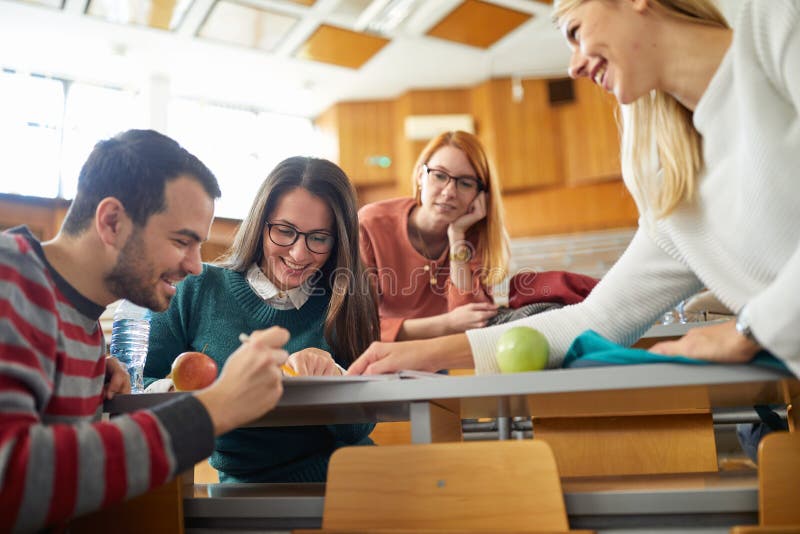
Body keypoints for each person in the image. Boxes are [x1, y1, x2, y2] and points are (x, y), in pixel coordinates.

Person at [347, 0, 800, 382]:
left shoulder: (775, 21)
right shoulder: (673, 194)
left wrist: (746, 331)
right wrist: (419, 354)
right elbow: (594, 320)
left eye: (576, 32)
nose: (574, 65)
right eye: (440, 177)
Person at [0, 130, 288, 532]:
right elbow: (12, 482)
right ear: (112, 222)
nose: (196, 266)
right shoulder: (10, 278)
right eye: (182, 241)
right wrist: (213, 409)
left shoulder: (82, 325)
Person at [143, 156, 379, 483]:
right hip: (244, 489)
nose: (299, 254)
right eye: (284, 231)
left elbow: (359, 428)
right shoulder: (195, 288)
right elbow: (139, 387)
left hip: (349, 479)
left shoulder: (346, 297)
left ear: (337, 240)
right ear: (260, 223)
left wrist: (333, 376)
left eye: (319, 238)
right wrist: (192, 393)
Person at [358, 130, 510, 342]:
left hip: (441, 354)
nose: (449, 192)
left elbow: (473, 324)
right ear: (421, 176)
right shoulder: (371, 224)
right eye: (439, 175)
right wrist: (447, 324)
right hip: (384, 354)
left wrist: (457, 237)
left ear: (480, 195)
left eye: (465, 183)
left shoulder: (476, 236)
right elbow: (361, 327)